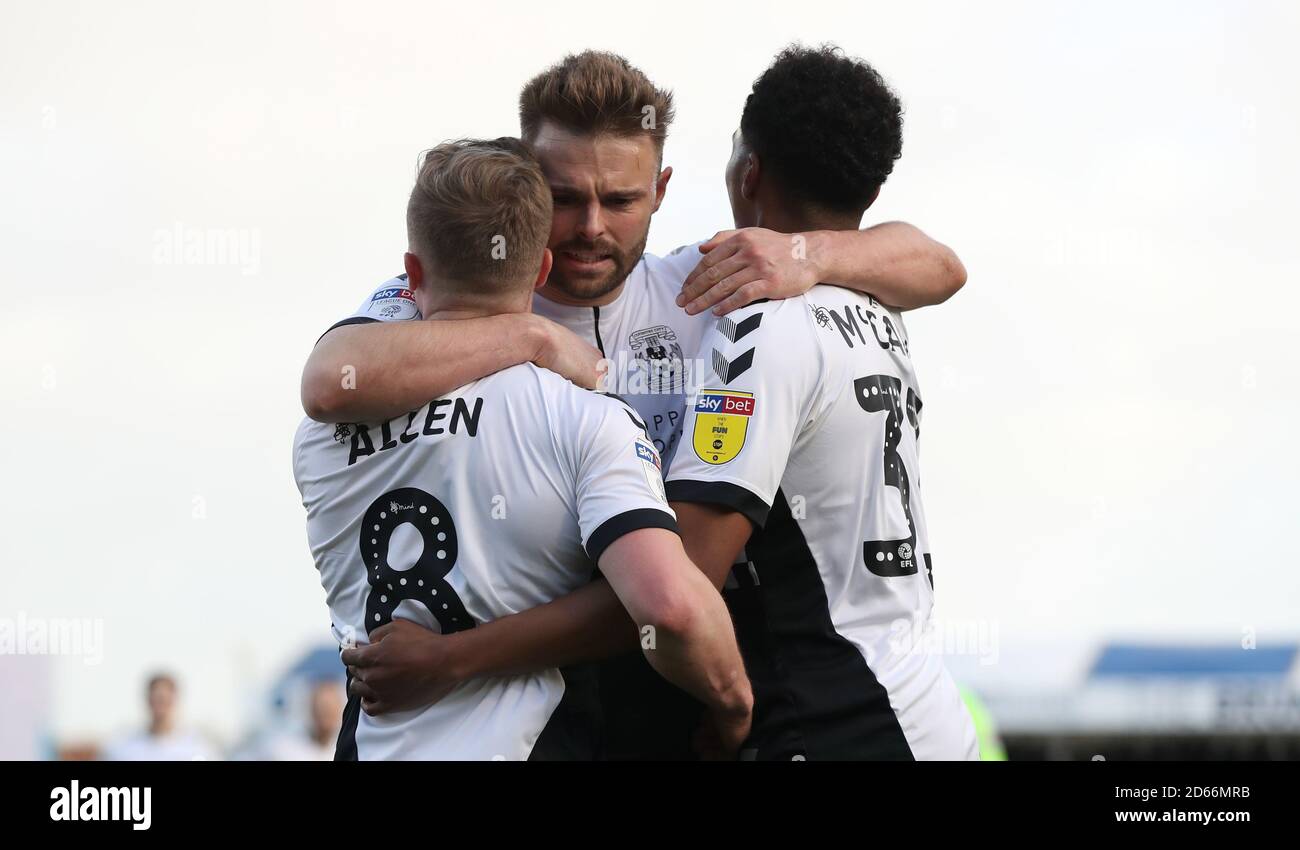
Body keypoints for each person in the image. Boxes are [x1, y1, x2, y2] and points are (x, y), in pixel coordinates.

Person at [306, 49, 966, 759]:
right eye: (564, 198)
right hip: (507, 708)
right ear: (528, 185)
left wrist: (812, 255)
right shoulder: (449, 293)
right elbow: (329, 379)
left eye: (620, 200)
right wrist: (529, 335)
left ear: (660, 189)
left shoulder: (712, 286)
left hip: (671, 689)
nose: (592, 226)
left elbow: (940, 265)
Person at [292, 138, 750, 760]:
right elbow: (669, 609)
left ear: (414, 272)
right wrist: (732, 704)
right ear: (540, 271)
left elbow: (333, 380)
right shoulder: (587, 420)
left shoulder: (320, 434)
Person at [664, 45, 979, 758]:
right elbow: (942, 264)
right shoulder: (879, 301)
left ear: (749, 173)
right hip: (923, 709)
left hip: (837, 723)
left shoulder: (761, 326)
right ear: (870, 193)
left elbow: (683, 581)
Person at [102, 672, 219, 761]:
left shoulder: (198, 750)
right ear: (148, 700)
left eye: (165, 700)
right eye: (156, 700)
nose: (160, 707)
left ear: (175, 700)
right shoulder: (124, 749)